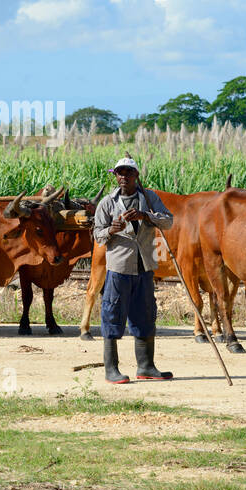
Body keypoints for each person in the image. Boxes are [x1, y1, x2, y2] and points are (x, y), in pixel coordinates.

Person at [91, 155, 174, 383]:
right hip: (119, 267)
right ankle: (111, 370)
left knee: (146, 314)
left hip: (144, 265)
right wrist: (111, 229)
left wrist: (145, 216)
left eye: (128, 172)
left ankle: (146, 366)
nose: (123, 177)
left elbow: (168, 221)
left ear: (136, 175)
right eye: (119, 173)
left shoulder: (149, 198)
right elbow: (97, 234)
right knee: (112, 313)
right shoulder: (107, 203)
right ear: (115, 176)